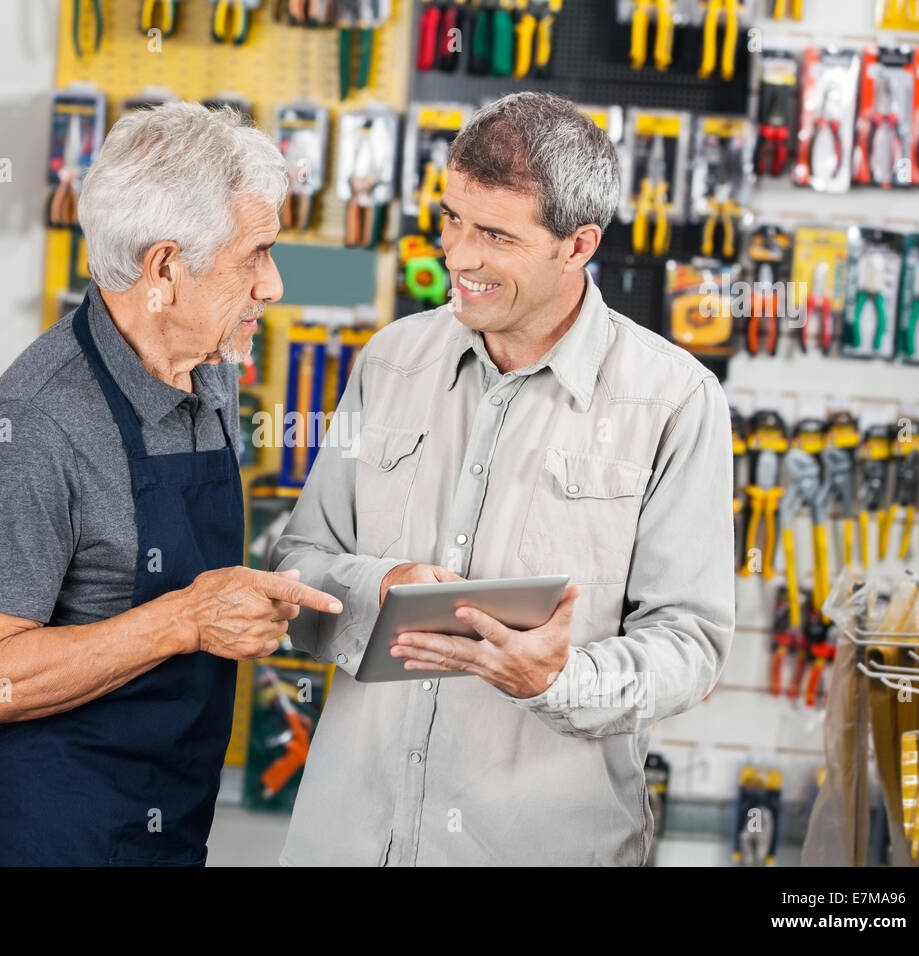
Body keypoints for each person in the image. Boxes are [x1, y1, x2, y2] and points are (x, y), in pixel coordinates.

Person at [272, 92, 735, 865]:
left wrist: (559, 680)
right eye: (452, 219)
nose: (457, 256)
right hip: (350, 839)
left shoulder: (674, 402)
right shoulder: (389, 361)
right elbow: (298, 568)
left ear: (578, 244)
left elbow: (690, 646)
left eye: (494, 234)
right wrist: (377, 590)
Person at [0, 102, 341, 866]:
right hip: (42, 834)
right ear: (165, 269)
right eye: (256, 256)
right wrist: (183, 620)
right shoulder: (40, 425)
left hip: (167, 822)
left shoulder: (208, 368)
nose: (272, 285)